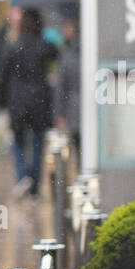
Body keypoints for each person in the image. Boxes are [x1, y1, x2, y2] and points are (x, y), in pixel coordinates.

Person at [0, 5, 54, 198]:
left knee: (18, 143)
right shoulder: (45, 46)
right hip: (40, 102)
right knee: (38, 144)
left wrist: (2, 102)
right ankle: (35, 187)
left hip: (17, 103)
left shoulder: (13, 47)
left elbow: (2, 78)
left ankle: (23, 176)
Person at [54, 9, 81, 163]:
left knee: (77, 150)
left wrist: (59, 114)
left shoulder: (68, 54)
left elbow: (61, 87)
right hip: (84, 109)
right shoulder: (79, 51)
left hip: (73, 110)